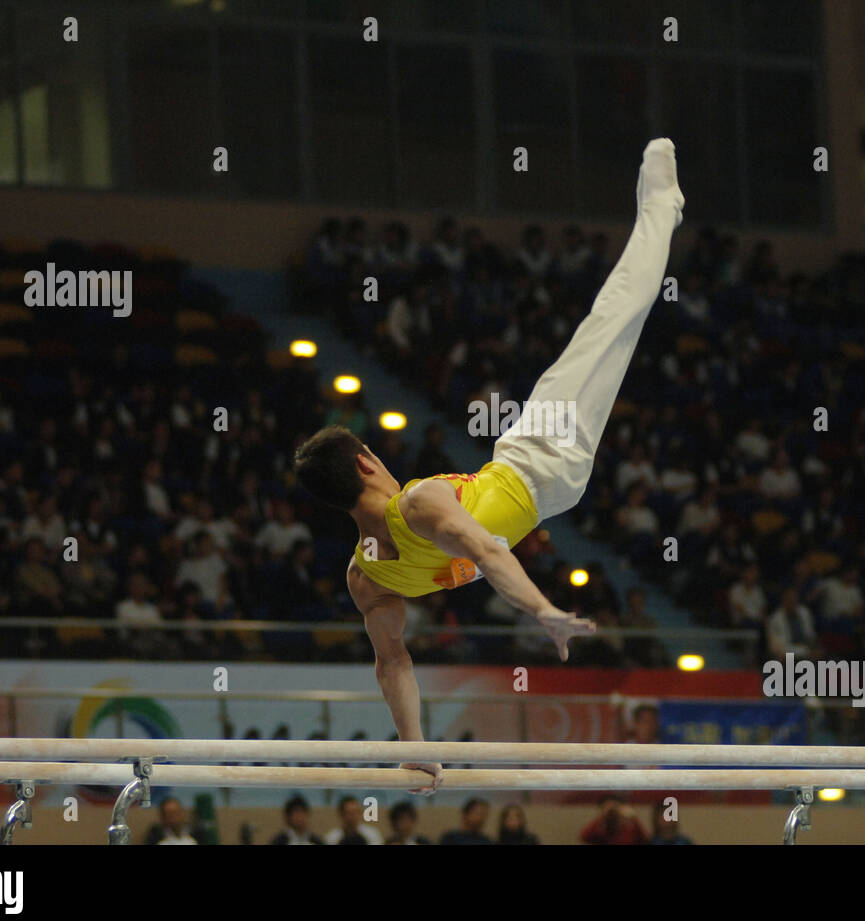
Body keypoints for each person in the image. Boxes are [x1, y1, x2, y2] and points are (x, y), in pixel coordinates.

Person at [293, 140, 685, 792]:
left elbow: (393, 662)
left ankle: (661, 213)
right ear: (364, 465)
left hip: (548, 475)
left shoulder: (365, 577)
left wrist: (414, 746)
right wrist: (542, 611)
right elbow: (487, 549)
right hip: (543, 458)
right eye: (377, 457)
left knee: (619, 320)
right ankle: (662, 207)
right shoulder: (415, 505)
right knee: (612, 313)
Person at [580, 795, 647, 845]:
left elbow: (645, 840)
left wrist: (633, 818)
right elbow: (584, 837)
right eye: (605, 807)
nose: (612, 811)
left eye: (615, 807)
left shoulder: (630, 826)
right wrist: (603, 817)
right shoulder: (601, 828)